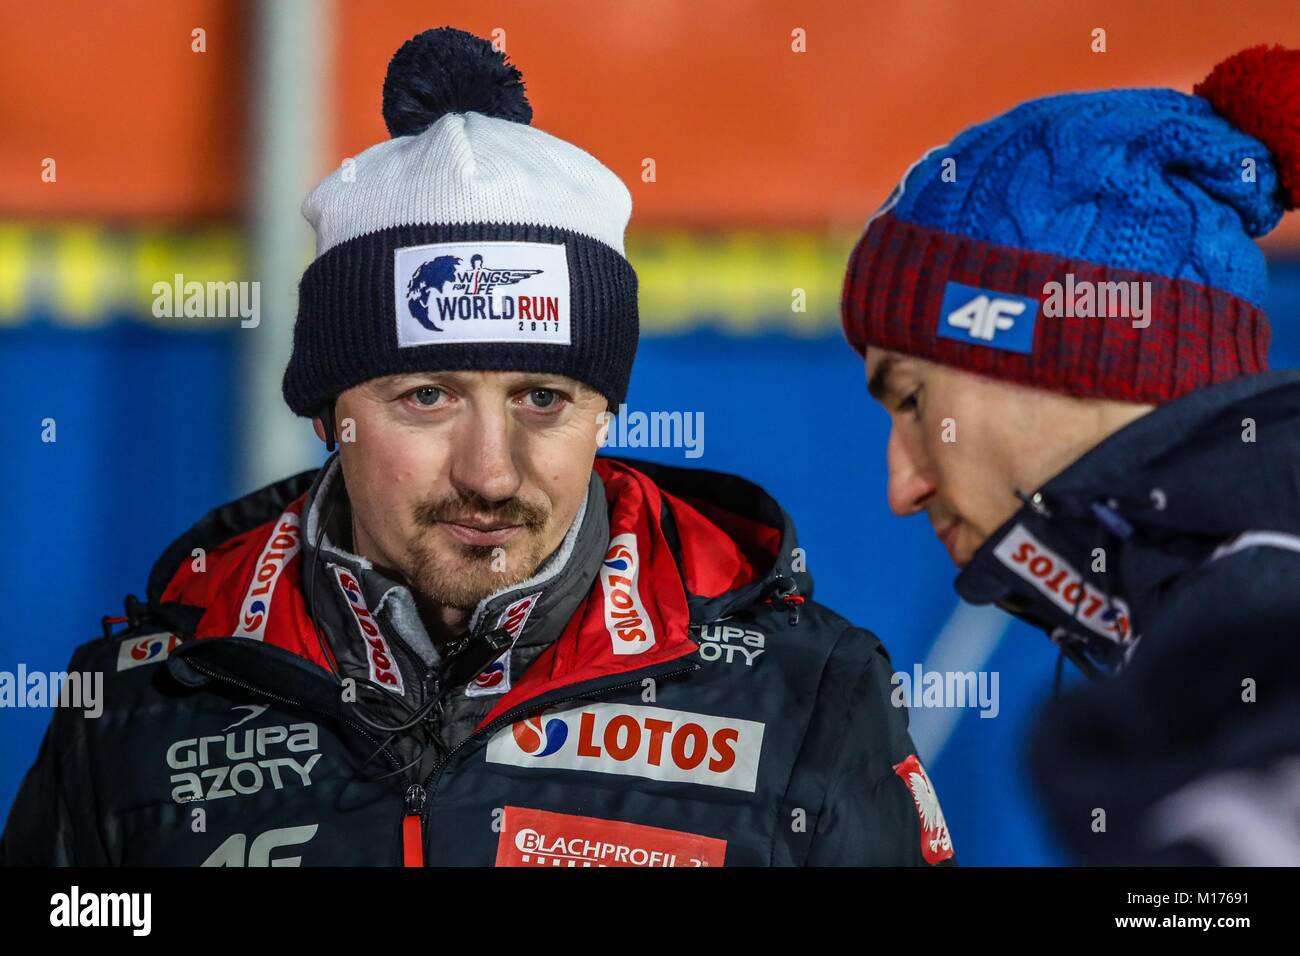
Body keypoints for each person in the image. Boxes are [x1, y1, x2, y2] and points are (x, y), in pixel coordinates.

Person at [2, 27, 952, 867]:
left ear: (606, 410)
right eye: (427, 396)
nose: (490, 472)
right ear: (331, 410)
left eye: (543, 397)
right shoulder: (137, 702)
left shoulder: (804, 691)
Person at [841, 44, 1300, 864]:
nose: (902, 486)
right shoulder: (1211, 589)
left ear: (1069, 356)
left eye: (912, 399)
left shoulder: (1258, 621)